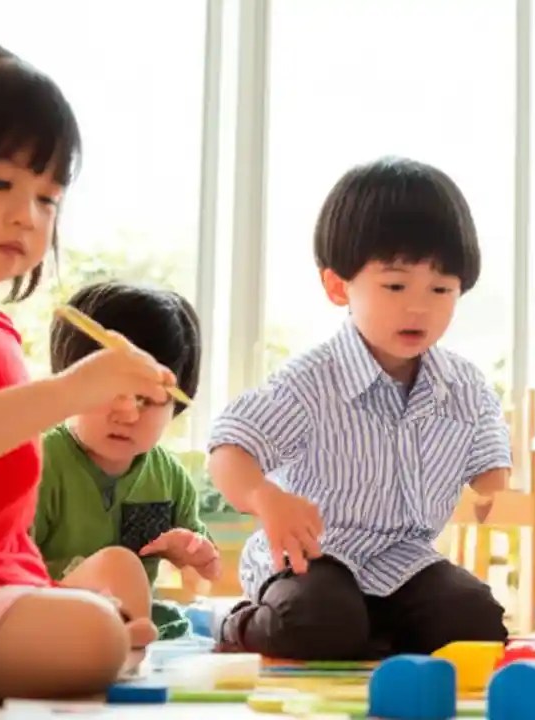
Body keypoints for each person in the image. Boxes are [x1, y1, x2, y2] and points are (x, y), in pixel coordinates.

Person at [0, 52, 178, 703]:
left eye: (48, 198)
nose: (28, 216)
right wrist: (70, 391)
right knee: (91, 637)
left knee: (117, 583)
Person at [209, 157, 511, 660]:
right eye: (395, 286)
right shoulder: (310, 381)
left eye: (441, 289)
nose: (419, 307)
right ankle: (235, 622)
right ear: (337, 285)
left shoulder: (463, 384)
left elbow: (489, 453)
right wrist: (265, 497)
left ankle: (369, 634)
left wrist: (492, 480)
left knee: (475, 621)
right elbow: (229, 447)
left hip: (405, 562)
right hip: (314, 559)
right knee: (317, 620)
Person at [34, 280, 218, 643]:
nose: (127, 413)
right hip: (44, 615)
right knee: (118, 567)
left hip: (133, 621)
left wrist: (193, 554)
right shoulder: (42, 463)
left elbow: (205, 572)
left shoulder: (168, 475)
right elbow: (6, 571)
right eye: (108, 390)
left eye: (148, 399)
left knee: (169, 618)